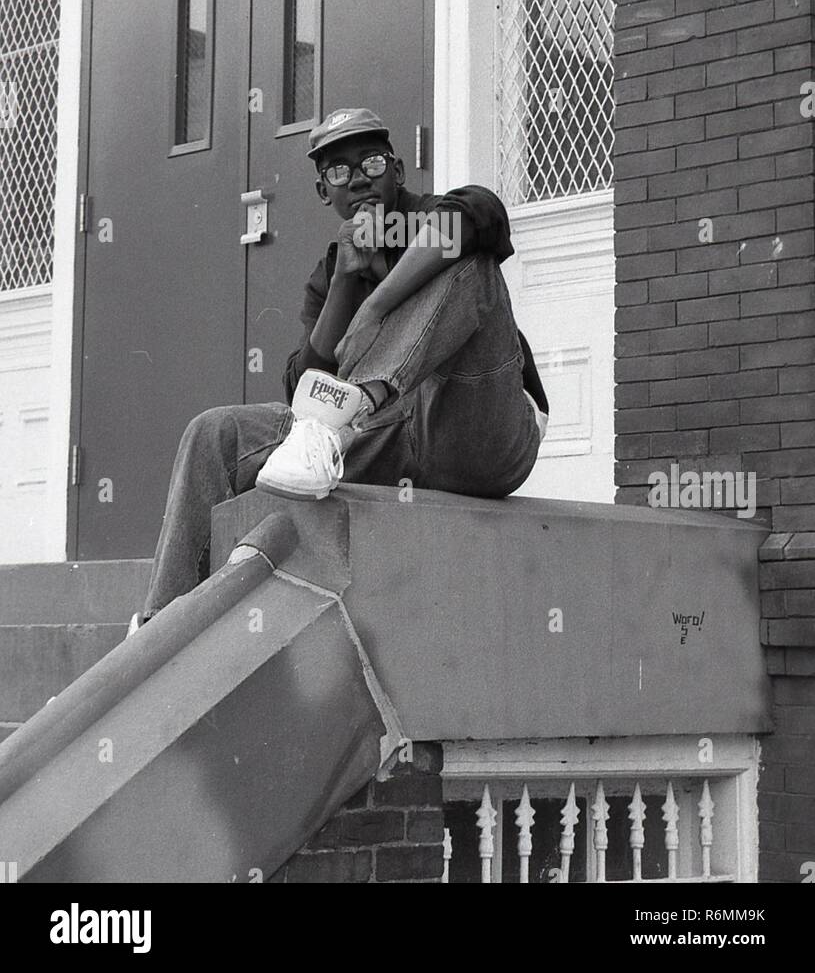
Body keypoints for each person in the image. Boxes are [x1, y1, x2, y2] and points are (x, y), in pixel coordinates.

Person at [129, 108, 547, 632]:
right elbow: (299, 384)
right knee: (215, 431)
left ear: (396, 169)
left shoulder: (434, 215)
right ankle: (158, 635)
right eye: (338, 170)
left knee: (470, 257)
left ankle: (345, 413)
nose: (358, 178)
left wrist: (376, 307)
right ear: (325, 193)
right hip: (380, 441)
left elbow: (479, 212)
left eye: (370, 161)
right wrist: (348, 283)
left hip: (472, 430)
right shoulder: (331, 269)